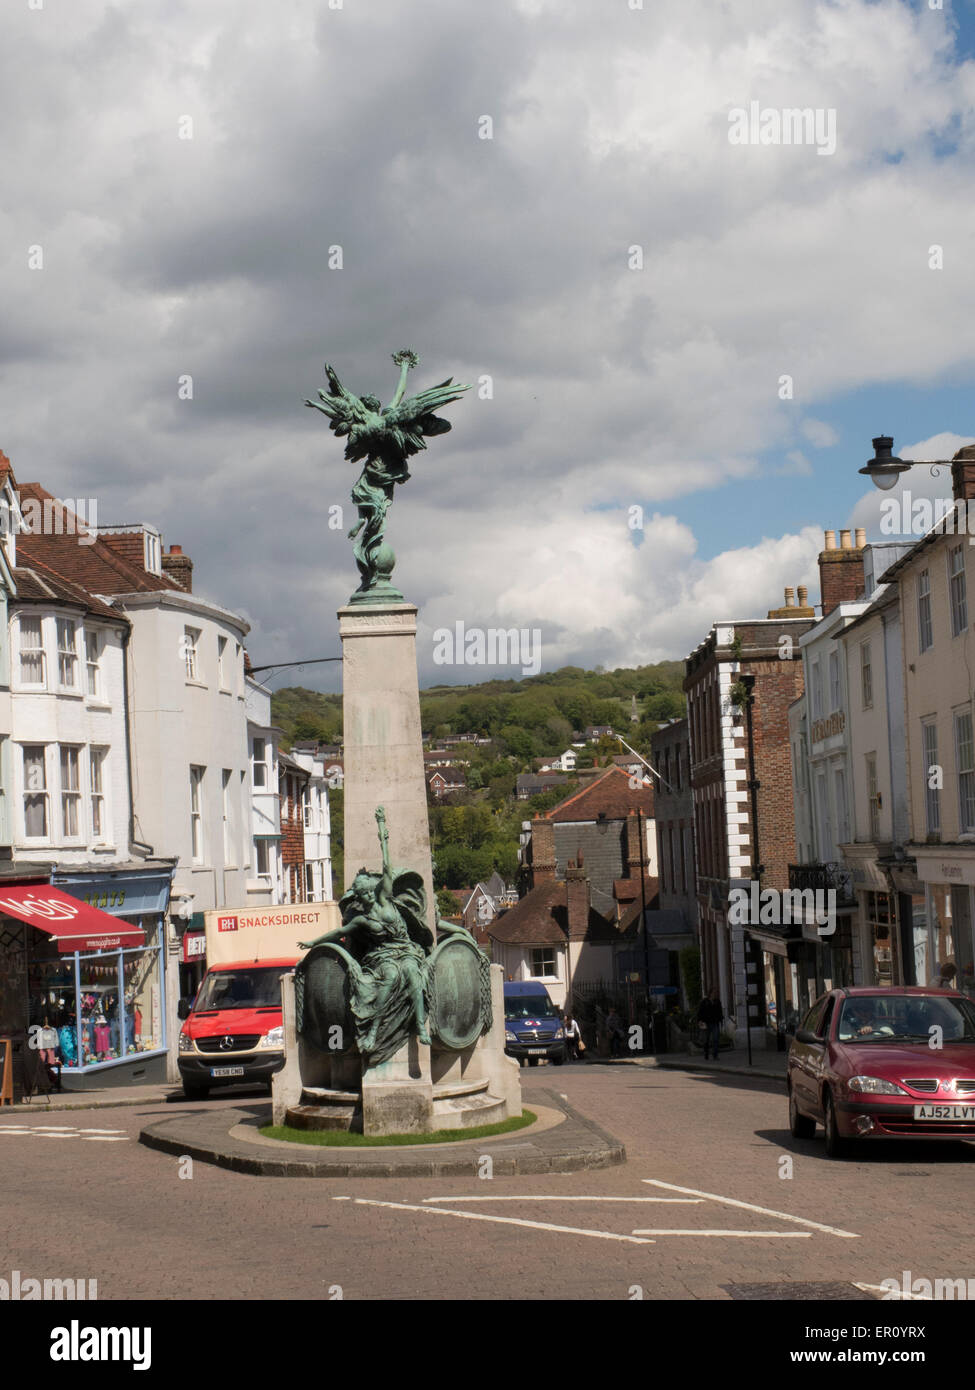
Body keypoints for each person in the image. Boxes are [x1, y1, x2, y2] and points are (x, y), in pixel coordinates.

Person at [697, 987, 724, 1060]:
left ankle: (715, 1055)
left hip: (715, 1023)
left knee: (716, 1039)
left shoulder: (717, 1001)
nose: (715, 994)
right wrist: (700, 1020)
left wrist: (721, 1018)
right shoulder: (704, 1002)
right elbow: (700, 1012)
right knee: (706, 1040)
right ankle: (706, 1053)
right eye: (714, 993)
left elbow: (719, 1011)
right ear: (710, 993)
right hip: (706, 1023)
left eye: (716, 993)